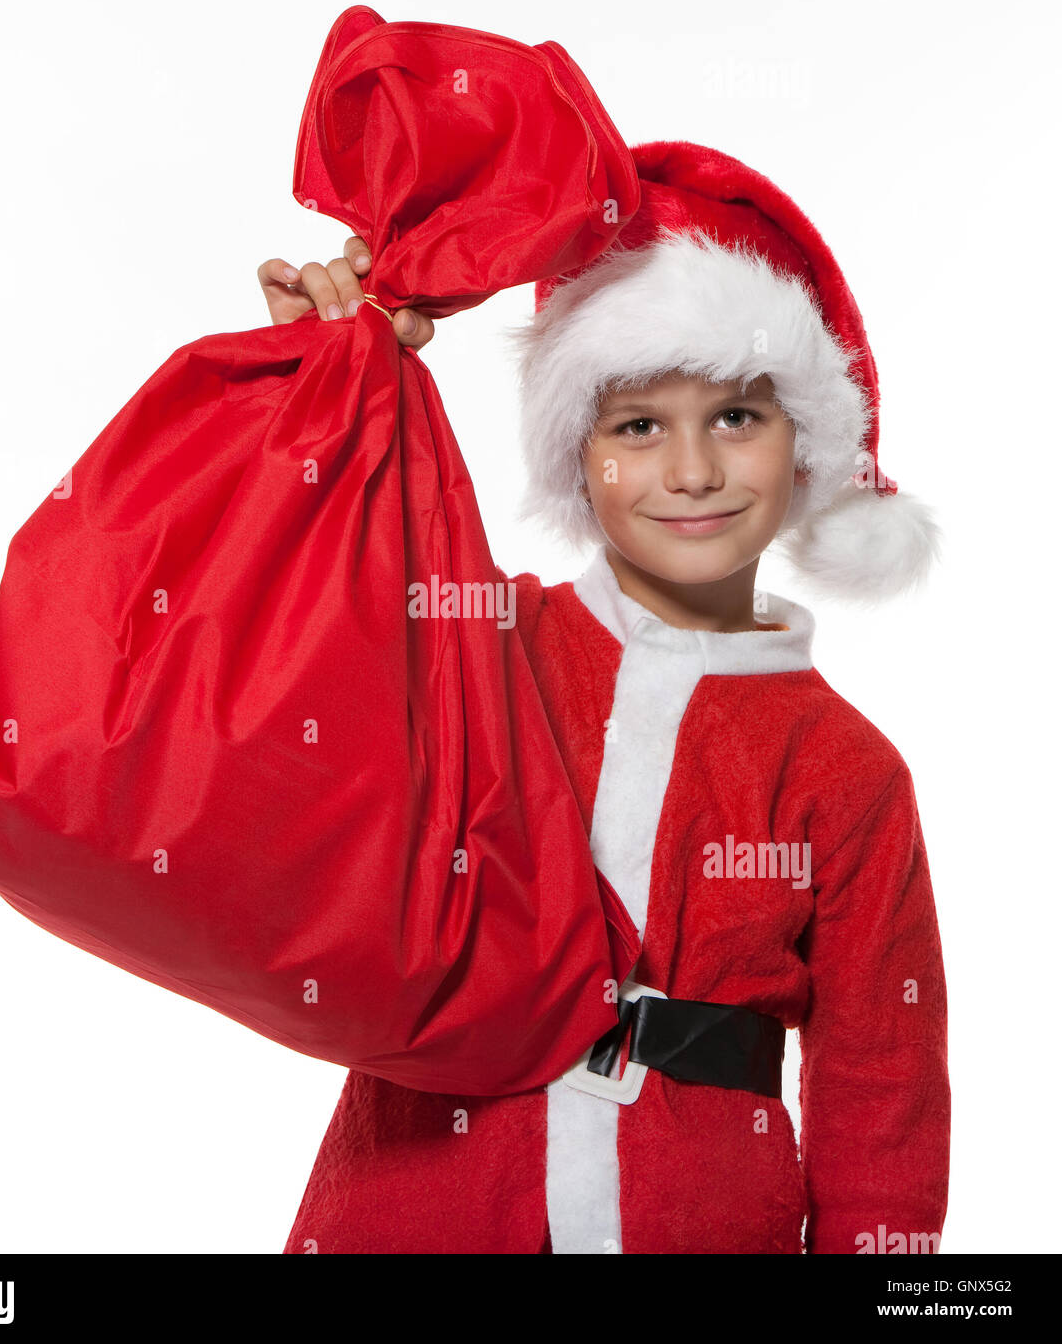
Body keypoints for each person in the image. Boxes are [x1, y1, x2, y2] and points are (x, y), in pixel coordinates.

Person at [253, 139, 951, 1257]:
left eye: (735, 417)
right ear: (577, 452)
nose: (689, 471)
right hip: (417, 1206)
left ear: (807, 444)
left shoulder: (848, 772)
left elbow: (882, 1092)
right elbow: (290, 623)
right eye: (636, 425)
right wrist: (319, 382)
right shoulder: (476, 638)